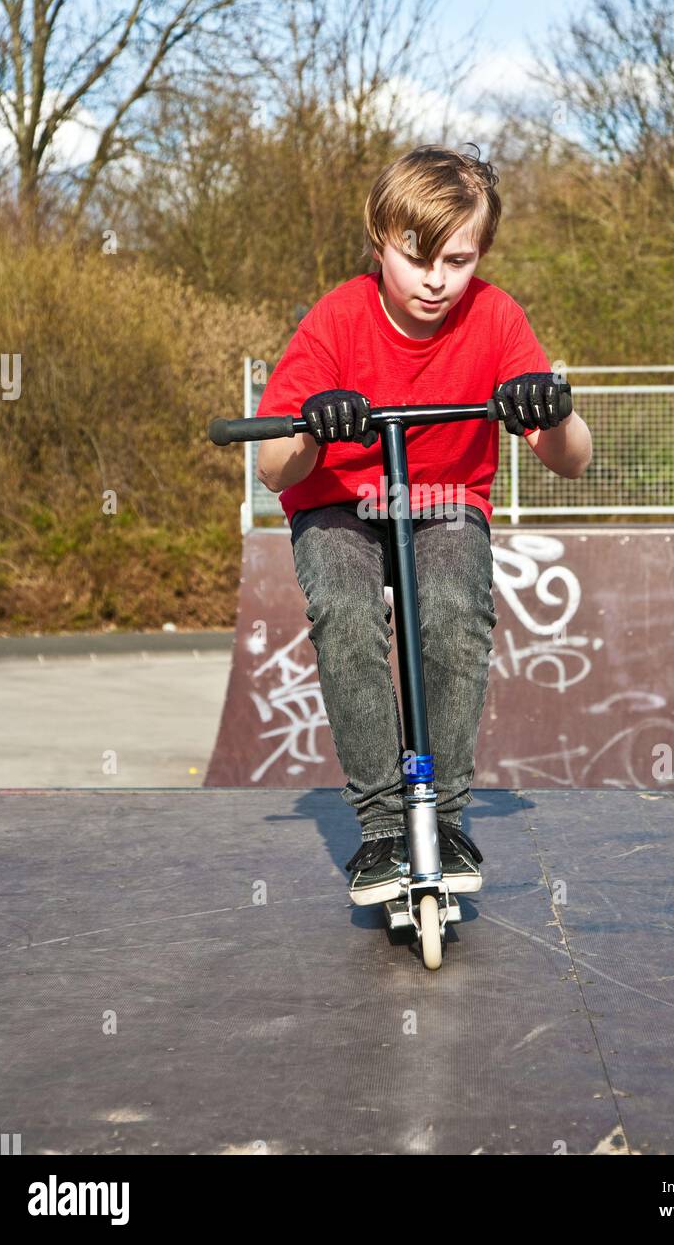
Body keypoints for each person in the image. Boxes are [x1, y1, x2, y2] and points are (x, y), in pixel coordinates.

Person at [256, 143, 592, 905]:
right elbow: (275, 467)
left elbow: (571, 460)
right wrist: (312, 427)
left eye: (460, 259)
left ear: (483, 253)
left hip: (443, 500)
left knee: (451, 610)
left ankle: (442, 819)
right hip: (339, 502)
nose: (438, 281)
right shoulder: (337, 320)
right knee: (343, 609)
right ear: (379, 239)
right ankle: (381, 827)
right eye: (417, 258)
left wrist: (555, 409)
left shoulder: (496, 318)